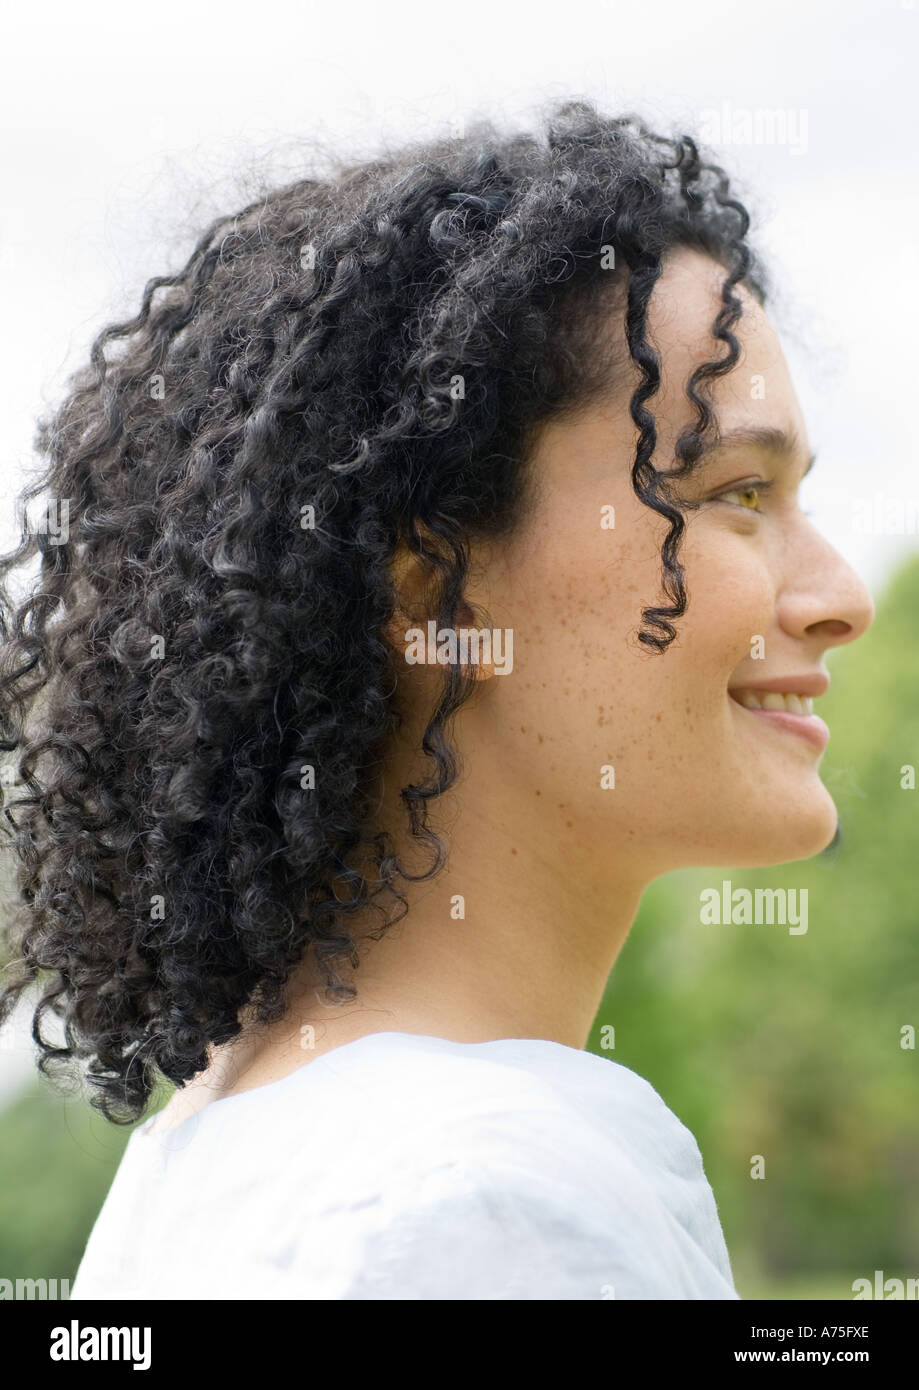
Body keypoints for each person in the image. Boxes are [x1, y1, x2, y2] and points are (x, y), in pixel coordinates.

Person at [0, 100, 874, 1299]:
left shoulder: (240, 1153)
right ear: (429, 581)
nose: (838, 596)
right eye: (733, 491)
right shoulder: (477, 1207)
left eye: (799, 498)